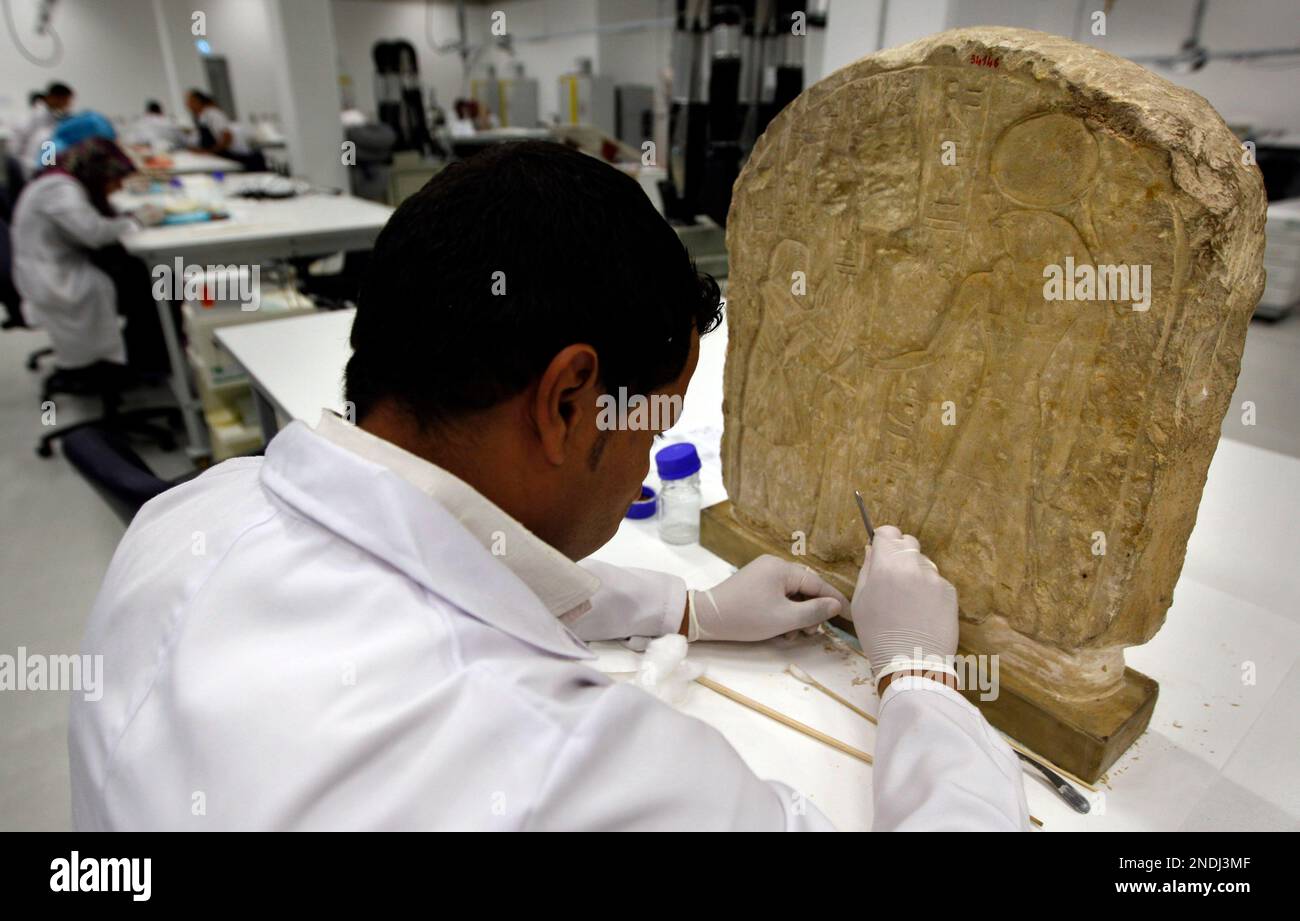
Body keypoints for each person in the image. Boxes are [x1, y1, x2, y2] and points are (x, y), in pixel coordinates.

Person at [69, 141, 1029, 831]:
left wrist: (689, 607)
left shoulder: (191, 513)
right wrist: (921, 678)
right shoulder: (574, 771)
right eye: (654, 420)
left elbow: (445, 557)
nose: (651, 460)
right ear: (570, 400)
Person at [10, 113, 166, 373]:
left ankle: (145, 353)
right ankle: (147, 361)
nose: (115, 188)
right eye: (112, 180)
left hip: (54, 263)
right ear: (96, 172)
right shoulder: (60, 189)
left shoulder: (61, 178)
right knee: (155, 284)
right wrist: (136, 220)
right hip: (56, 278)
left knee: (142, 275)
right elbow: (93, 233)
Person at [184, 88, 263, 170]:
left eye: (188, 101)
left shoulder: (213, 114)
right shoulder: (201, 117)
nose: (187, 104)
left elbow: (227, 137)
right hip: (218, 156)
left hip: (234, 156)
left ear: (197, 101)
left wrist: (211, 151)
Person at [17, 82, 74, 178]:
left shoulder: (55, 119)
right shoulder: (35, 116)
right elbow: (19, 142)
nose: (67, 105)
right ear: (55, 98)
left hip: (39, 165)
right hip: (28, 166)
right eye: (66, 101)